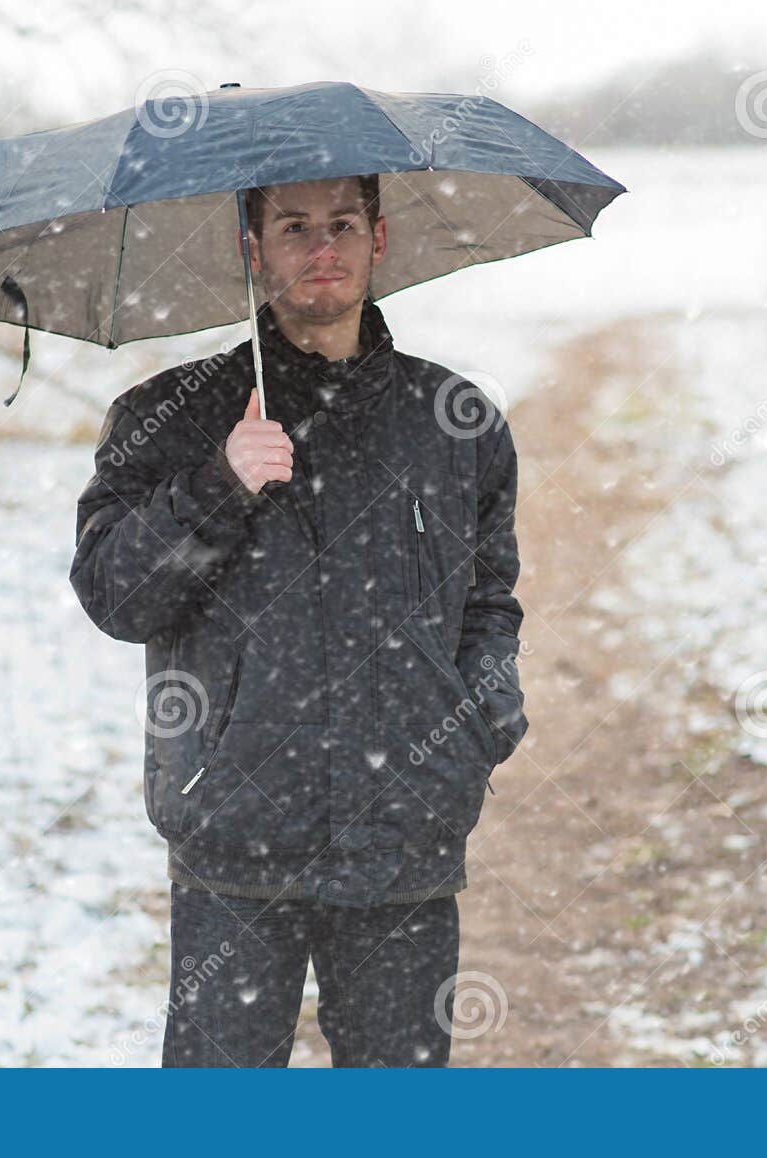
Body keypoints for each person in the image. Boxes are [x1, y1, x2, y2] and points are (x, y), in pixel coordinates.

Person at [69, 172, 527, 1067]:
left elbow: (490, 598)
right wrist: (218, 485)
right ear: (252, 250)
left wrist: (481, 717)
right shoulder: (170, 419)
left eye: (344, 225)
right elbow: (115, 597)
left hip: (405, 826)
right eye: (294, 228)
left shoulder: (454, 421)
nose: (324, 249)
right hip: (235, 833)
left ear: (379, 241)